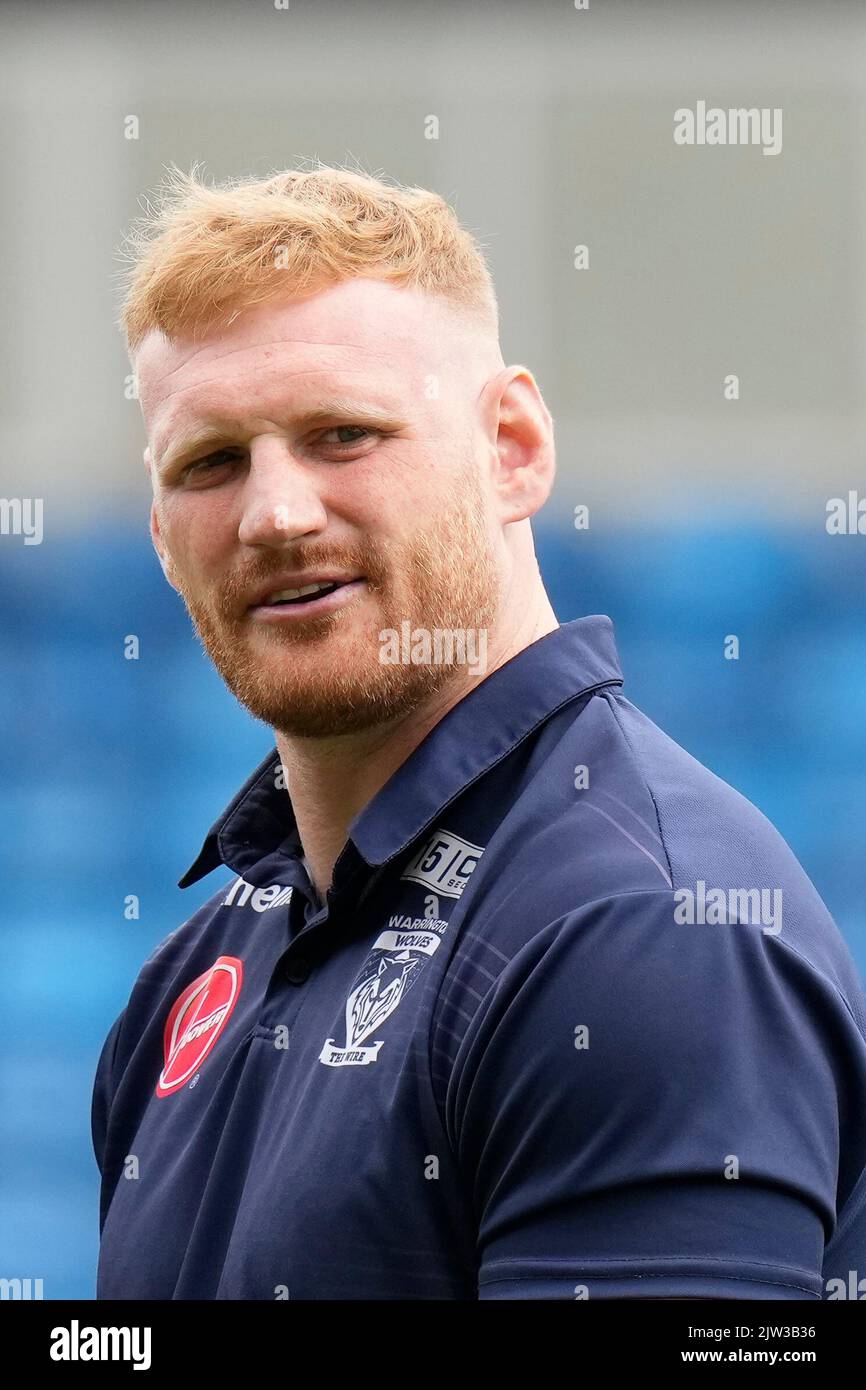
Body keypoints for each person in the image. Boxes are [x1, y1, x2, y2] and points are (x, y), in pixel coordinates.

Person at [92, 162, 866, 1300]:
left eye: (342, 435)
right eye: (210, 463)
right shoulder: (192, 975)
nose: (274, 514)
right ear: (162, 534)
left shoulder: (638, 929)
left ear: (511, 447)